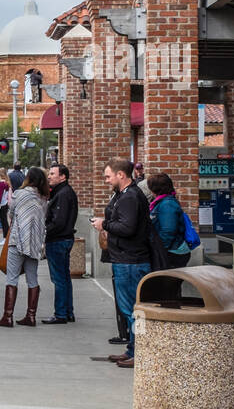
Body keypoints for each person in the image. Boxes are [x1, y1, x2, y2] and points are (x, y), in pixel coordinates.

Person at [91, 158, 150, 369]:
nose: (106, 180)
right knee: (131, 309)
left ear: (121, 175)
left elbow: (128, 228)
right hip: (126, 259)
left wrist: (104, 224)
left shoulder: (130, 197)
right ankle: (133, 350)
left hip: (131, 261)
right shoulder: (125, 195)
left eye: (108, 176)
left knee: (134, 309)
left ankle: (141, 352)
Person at [0, 166, 50, 327]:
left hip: (17, 241)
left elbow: (11, 213)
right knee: (32, 279)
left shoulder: (19, 194)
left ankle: (8, 316)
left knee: (12, 278)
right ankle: (31, 316)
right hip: (34, 243)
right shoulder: (44, 198)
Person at [146, 172, 195, 301]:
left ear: (154, 189)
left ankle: (172, 314)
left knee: (169, 290)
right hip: (171, 251)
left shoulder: (167, 204)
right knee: (169, 288)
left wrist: (159, 251)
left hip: (172, 253)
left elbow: (168, 231)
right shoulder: (163, 201)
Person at [42, 163, 78, 324]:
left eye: (52, 173)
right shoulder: (62, 192)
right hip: (62, 239)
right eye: (49, 174)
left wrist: (44, 232)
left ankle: (61, 313)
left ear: (62, 176)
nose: (49, 176)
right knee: (64, 277)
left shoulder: (63, 194)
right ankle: (67, 311)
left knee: (59, 279)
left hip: (58, 240)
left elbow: (58, 222)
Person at [0, 167, 10, 236]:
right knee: (5, 221)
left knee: (4, 222)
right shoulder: (6, 182)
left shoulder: (1, 183)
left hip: (2, 204)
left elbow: (0, 197)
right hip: (5, 203)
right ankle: (6, 238)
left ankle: (5, 238)